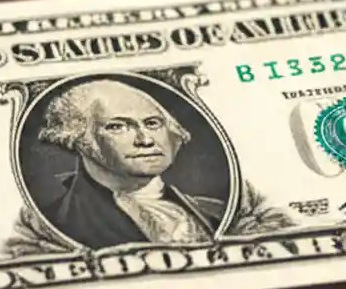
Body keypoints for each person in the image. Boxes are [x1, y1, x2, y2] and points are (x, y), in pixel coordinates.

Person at [36, 79, 227, 249]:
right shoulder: (53, 225)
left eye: (152, 123)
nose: (145, 140)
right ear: (77, 138)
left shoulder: (215, 211)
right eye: (117, 127)